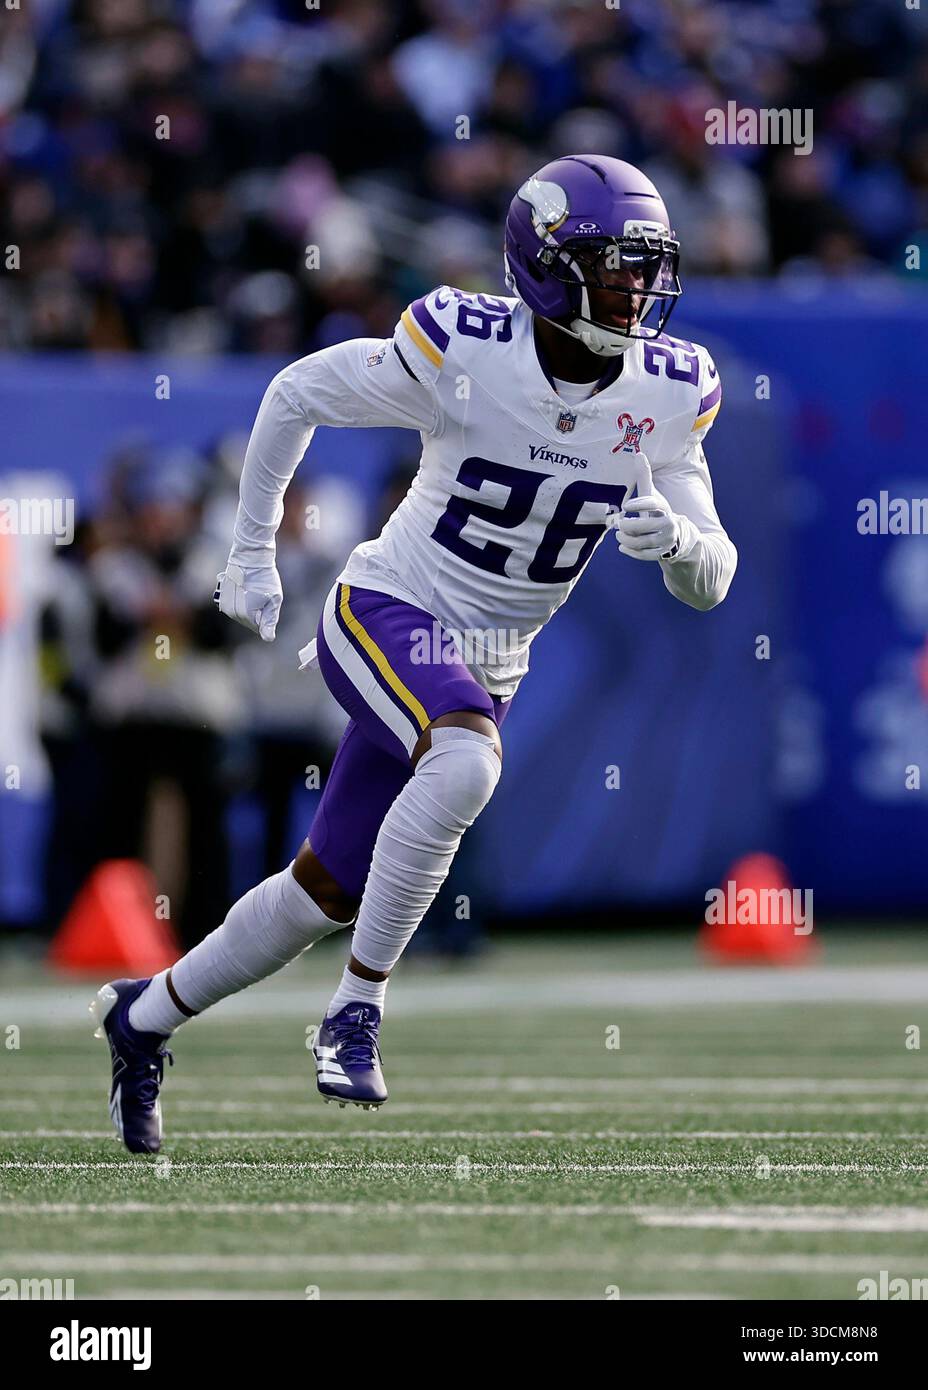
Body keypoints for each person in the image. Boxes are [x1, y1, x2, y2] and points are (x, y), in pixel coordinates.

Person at [91, 156, 737, 1152]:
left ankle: (142, 1018)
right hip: (389, 604)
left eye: (644, 269)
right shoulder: (466, 346)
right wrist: (251, 552)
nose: (634, 290)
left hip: (488, 658)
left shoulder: (669, 385)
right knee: (469, 754)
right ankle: (355, 1012)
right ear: (545, 265)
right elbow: (297, 390)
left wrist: (683, 549)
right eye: (611, 267)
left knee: (321, 890)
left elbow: (712, 575)